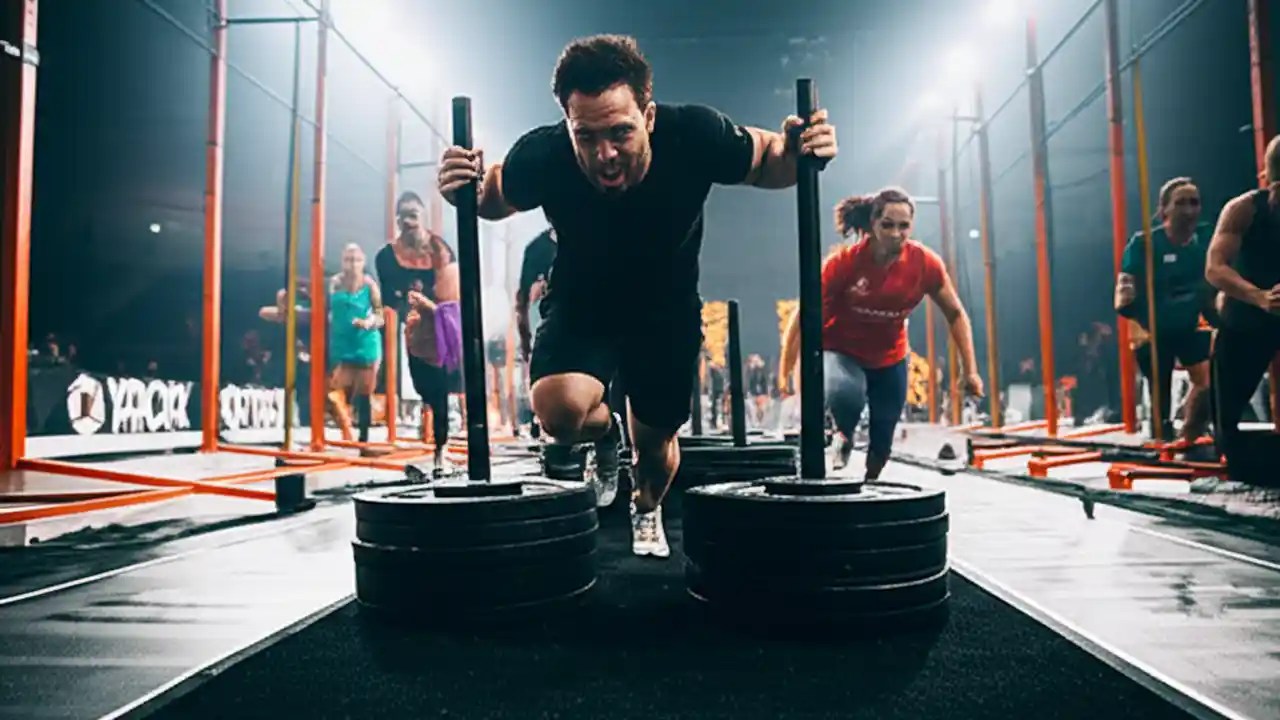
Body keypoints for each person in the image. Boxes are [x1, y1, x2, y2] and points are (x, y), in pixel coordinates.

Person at [436, 34, 838, 558]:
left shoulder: (696, 133)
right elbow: (491, 197)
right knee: (557, 414)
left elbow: (769, 161)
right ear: (568, 124)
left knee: (654, 449)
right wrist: (458, 184)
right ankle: (605, 435)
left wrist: (803, 147)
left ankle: (646, 506)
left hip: (665, 311)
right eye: (587, 136)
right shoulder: (544, 154)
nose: (605, 154)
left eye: (620, 132)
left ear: (648, 116)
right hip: (583, 304)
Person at [780, 187, 982, 478]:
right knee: (848, 397)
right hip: (841, 352)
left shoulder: (925, 264)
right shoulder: (844, 264)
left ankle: (871, 485)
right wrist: (787, 367)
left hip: (890, 358)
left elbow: (955, 314)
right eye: (887, 225)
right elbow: (801, 317)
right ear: (872, 226)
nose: (896, 234)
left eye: (904, 226)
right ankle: (843, 436)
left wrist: (970, 370)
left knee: (883, 441)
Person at [1115, 177, 1216, 443]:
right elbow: (1125, 292)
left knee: (1207, 380)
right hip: (1151, 326)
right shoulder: (1143, 244)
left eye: (1194, 203)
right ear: (1164, 209)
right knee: (1160, 387)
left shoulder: (1206, 238)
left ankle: (1191, 430)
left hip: (1190, 323)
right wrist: (1134, 315)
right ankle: (1161, 432)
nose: (1189, 210)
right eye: (1181, 203)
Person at [1205, 135, 1280, 474]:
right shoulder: (1243, 209)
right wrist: (1260, 297)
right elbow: (1214, 268)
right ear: (1270, 184)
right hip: (1247, 315)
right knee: (1227, 427)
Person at [375, 191, 460, 476]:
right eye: (403, 215)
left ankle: (441, 450)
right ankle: (435, 443)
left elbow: (453, 292)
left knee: (443, 393)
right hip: (415, 331)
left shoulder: (441, 249)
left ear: (422, 217)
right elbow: (391, 299)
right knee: (426, 390)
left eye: (414, 214)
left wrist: (435, 310)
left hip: (442, 327)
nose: (409, 221)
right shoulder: (387, 256)